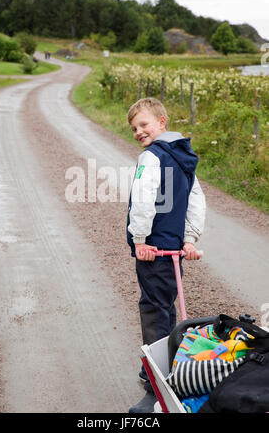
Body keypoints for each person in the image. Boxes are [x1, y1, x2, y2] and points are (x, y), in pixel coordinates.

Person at [126, 97, 206, 413]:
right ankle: (170, 364)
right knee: (166, 307)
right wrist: (189, 238)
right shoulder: (184, 157)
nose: (138, 131)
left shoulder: (151, 157)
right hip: (172, 250)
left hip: (153, 250)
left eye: (143, 124)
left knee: (154, 310)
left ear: (162, 121)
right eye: (133, 128)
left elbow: (143, 199)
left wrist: (140, 239)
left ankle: (155, 385)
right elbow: (196, 201)